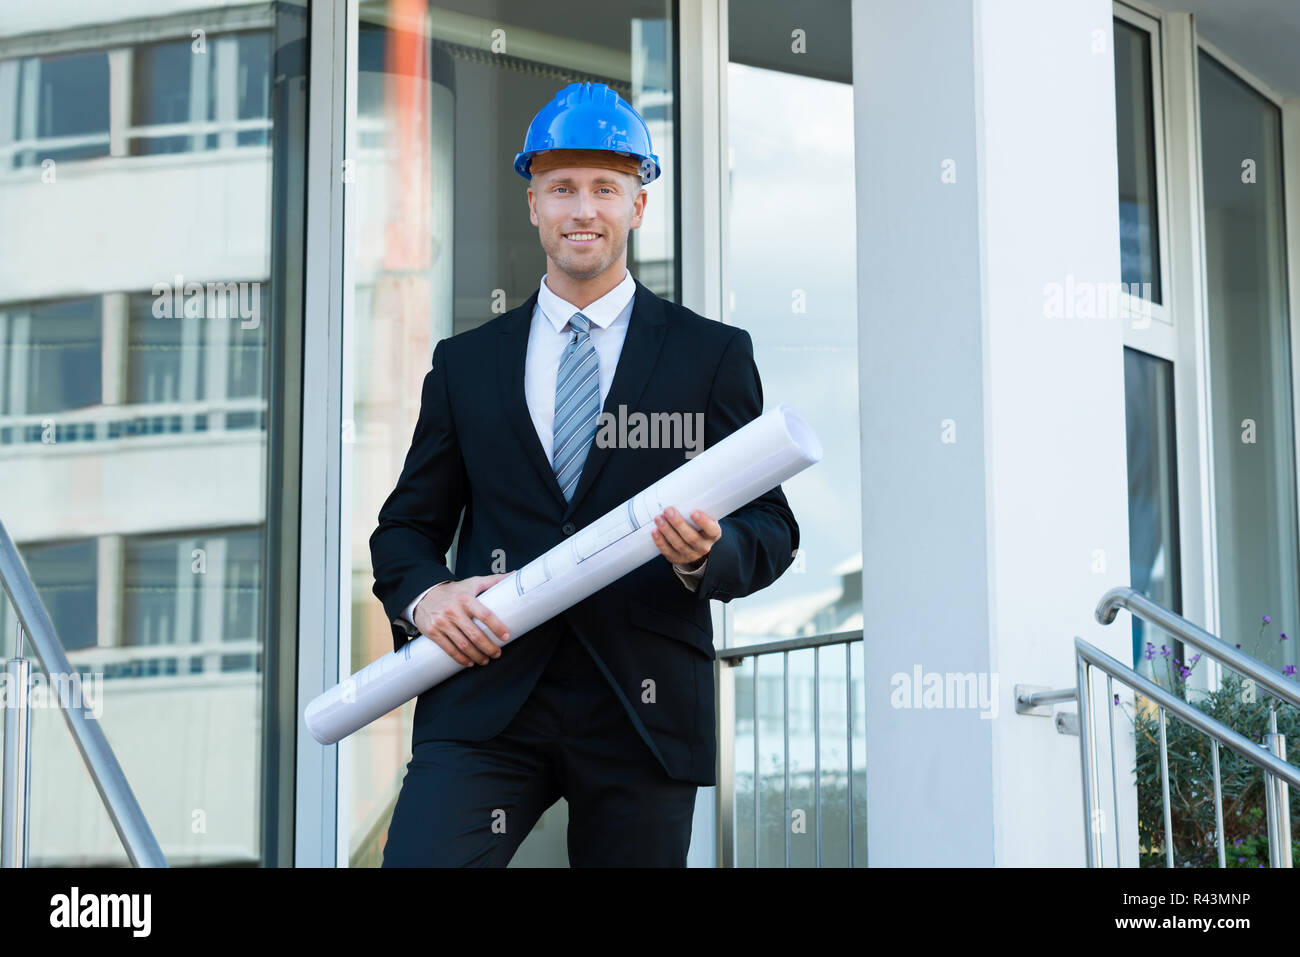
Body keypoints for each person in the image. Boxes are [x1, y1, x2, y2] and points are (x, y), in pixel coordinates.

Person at [372, 81, 799, 867]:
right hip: (486, 694)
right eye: (562, 187)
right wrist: (429, 597)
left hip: (641, 705)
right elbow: (405, 526)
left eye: (607, 188)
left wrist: (708, 551)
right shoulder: (467, 364)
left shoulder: (710, 356)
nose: (583, 209)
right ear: (532, 201)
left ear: (638, 205)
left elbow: (772, 527)